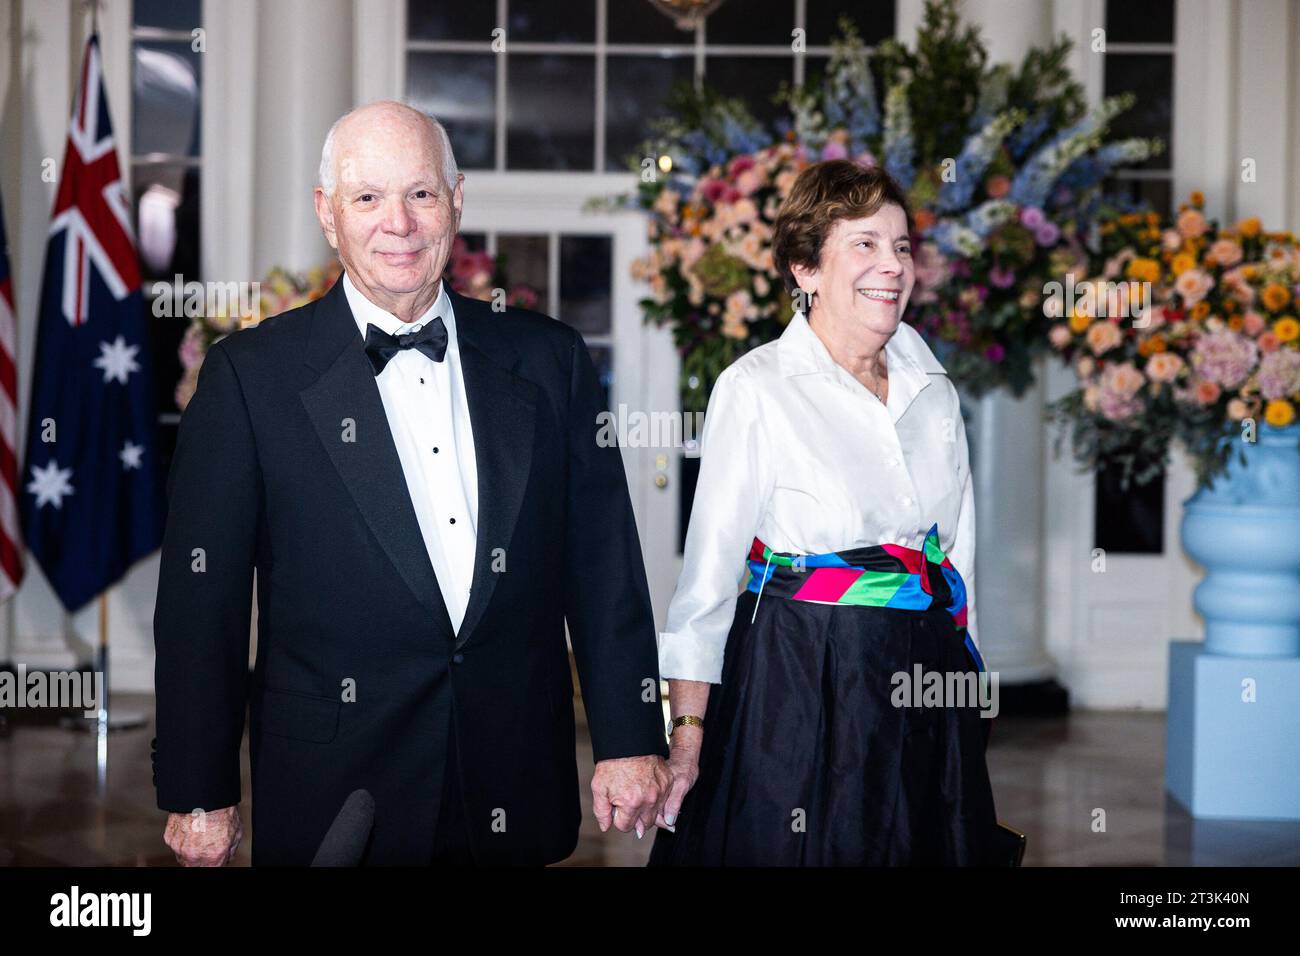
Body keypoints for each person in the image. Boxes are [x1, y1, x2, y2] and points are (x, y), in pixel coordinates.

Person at [153, 101, 670, 866]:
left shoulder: (549, 361)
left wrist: (629, 738)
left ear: (456, 201)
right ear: (328, 214)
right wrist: (201, 788)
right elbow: (205, 605)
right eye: (368, 197)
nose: (398, 221)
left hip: (512, 780)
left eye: (421, 194)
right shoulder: (249, 377)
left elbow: (603, 567)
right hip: (336, 790)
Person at [648, 160, 999, 866]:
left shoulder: (936, 390)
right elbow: (708, 585)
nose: (891, 265)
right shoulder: (755, 390)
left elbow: (956, 561)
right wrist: (687, 734)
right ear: (805, 269)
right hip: (799, 679)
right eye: (864, 244)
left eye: (901, 246)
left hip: (925, 676)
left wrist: (968, 697)